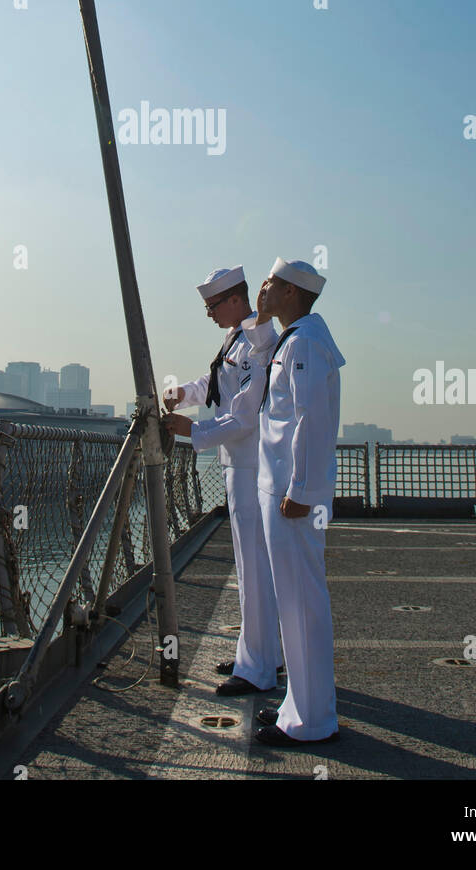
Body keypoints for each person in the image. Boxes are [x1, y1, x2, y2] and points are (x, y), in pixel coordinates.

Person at [163, 266, 282, 696]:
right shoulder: (236, 338)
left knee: (254, 569)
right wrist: (183, 393)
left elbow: (244, 415)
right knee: (254, 568)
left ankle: (257, 668)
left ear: (234, 300)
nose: (209, 313)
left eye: (212, 305)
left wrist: (191, 431)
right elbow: (216, 384)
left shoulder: (257, 341)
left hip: (250, 467)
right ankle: (261, 653)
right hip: (240, 466)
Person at [242, 256, 345, 745]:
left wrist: (301, 492)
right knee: (292, 602)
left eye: (272, 285)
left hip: (291, 497)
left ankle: (312, 721)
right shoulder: (295, 338)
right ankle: (296, 706)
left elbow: (311, 419)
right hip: (281, 490)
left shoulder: (304, 343)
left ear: (293, 294)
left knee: (301, 604)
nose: (263, 290)